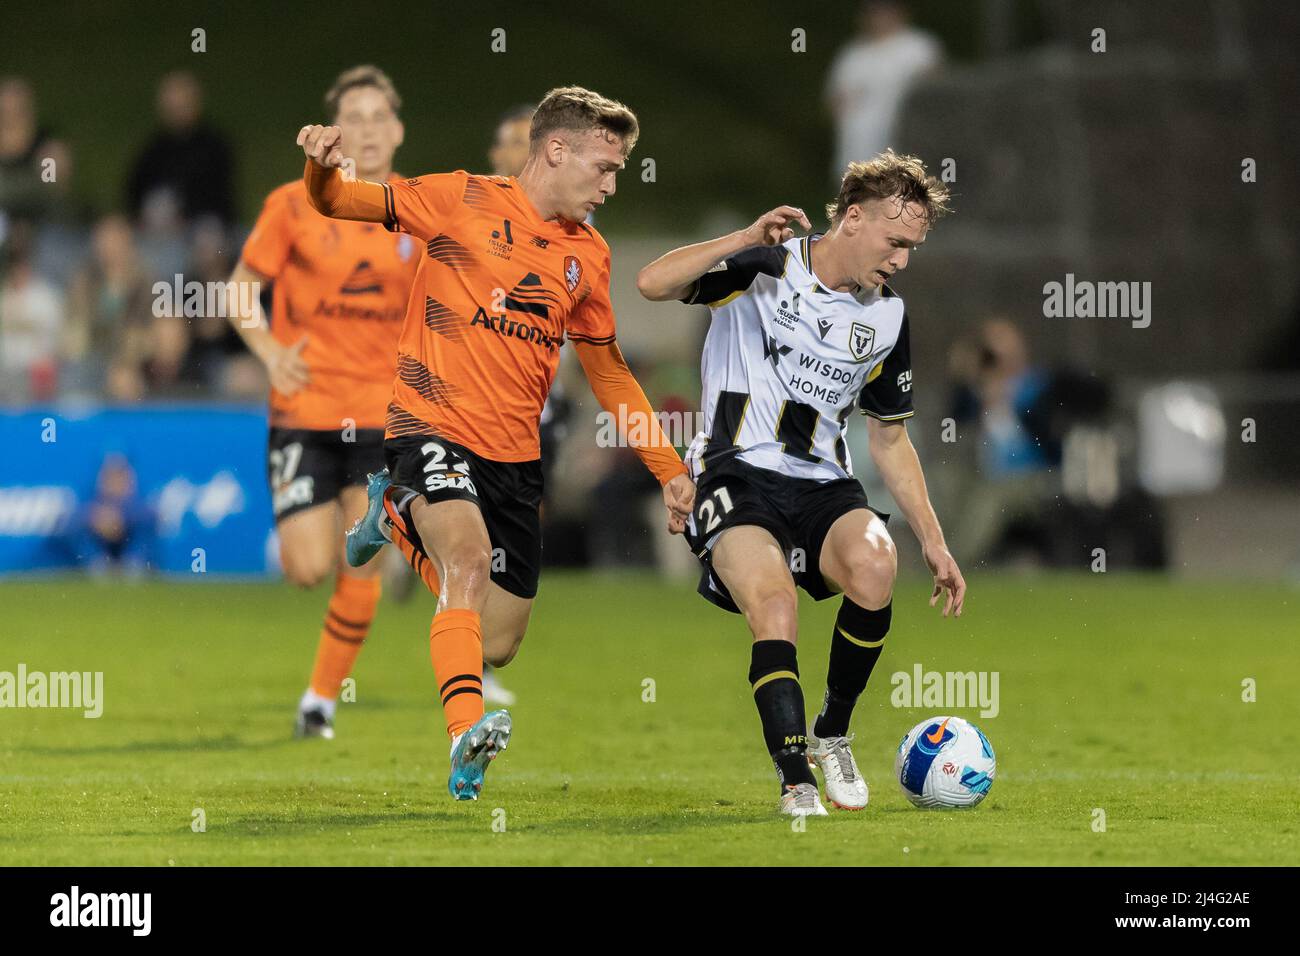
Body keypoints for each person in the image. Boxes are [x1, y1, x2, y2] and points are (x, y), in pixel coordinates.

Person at [297, 85, 695, 800]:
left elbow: (606, 371)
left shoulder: (589, 257)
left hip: (514, 458)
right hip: (429, 425)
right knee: (467, 561)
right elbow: (338, 203)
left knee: (499, 639)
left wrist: (667, 466)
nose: (611, 185)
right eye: (604, 168)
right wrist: (323, 169)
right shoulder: (459, 199)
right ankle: (464, 741)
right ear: (556, 150)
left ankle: (391, 518)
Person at [636, 149, 965, 816]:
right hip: (735, 473)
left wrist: (934, 540)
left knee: (876, 564)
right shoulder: (765, 265)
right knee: (775, 605)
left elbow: (889, 437)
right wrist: (741, 239)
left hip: (821, 481)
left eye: (913, 248)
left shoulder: (888, 319)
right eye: (896, 241)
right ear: (850, 219)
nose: (902, 260)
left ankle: (833, 732)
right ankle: (795, 781)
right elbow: (650, 283)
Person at [225, 66, 419, 740]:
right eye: (353, 118)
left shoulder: (416, 212)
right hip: (303, 409)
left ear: (397, 130)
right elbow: (239, 288)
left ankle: (319, 703)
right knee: (306, 568)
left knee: (355, 558)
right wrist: (267, 349)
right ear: (335, 130)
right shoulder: (292, 203)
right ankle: (401, 552)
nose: (366, 130)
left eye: (377, 117)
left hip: (380, 414)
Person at [825, 1, 941, 179]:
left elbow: (935, 91)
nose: (880, 17)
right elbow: (836, 98)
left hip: (907, 147)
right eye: (874, 11)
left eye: (886, 10)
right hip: (857, 148)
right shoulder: (852, 54)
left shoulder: (919, 47)